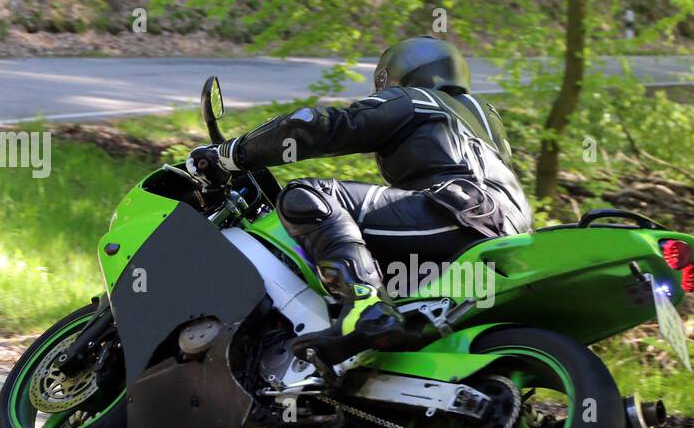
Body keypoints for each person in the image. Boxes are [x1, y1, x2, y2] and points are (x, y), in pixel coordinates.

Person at [186, 36, 532, 353]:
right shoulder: (483, 127)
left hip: (457, 213)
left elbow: (312, 127)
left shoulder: (417, 99)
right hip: (509, 232)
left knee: (307, 195)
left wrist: (232, 154)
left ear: (395, 75)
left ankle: (364, 306)